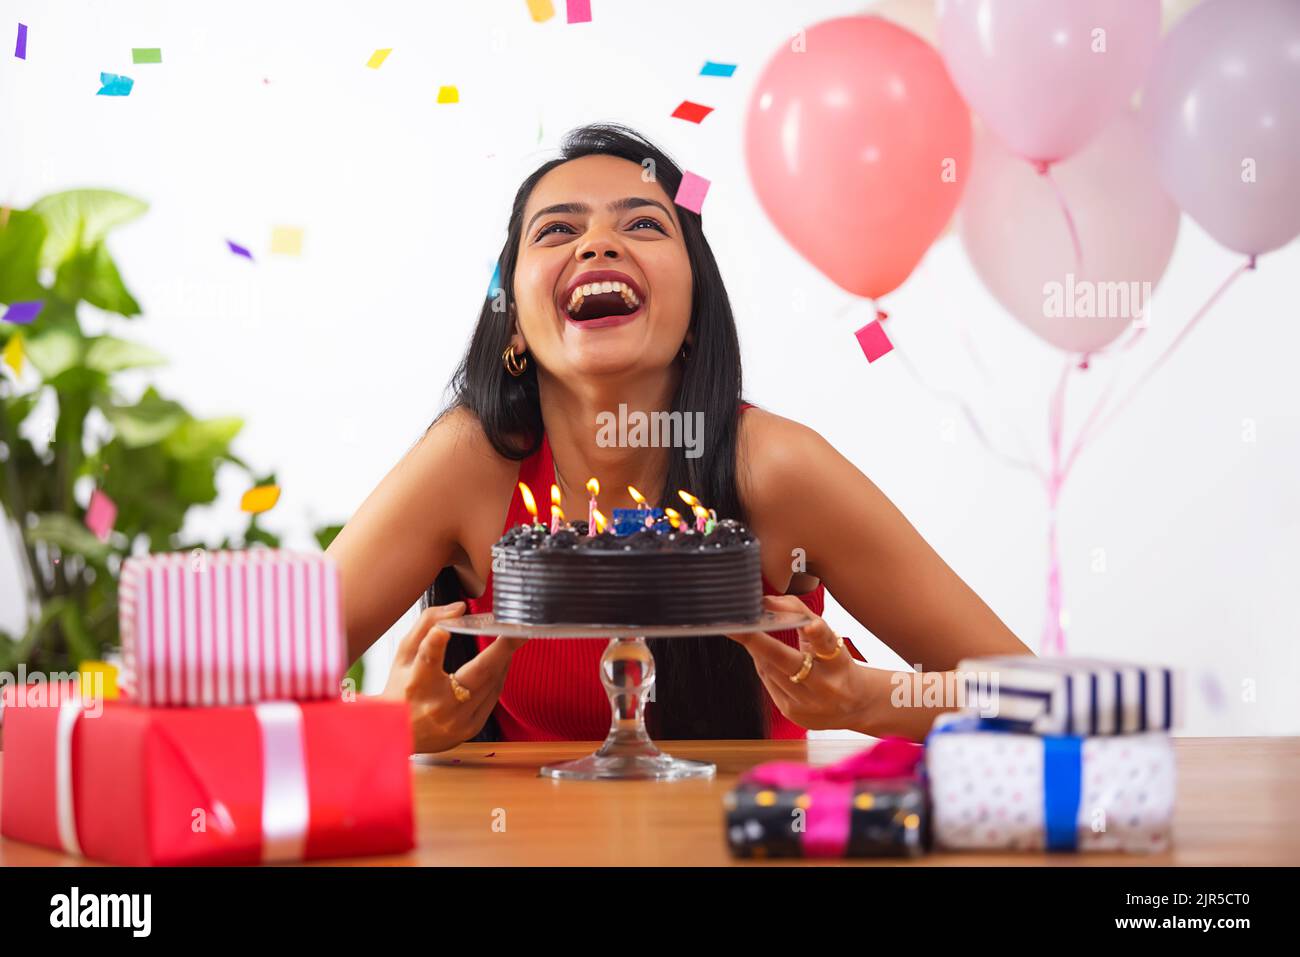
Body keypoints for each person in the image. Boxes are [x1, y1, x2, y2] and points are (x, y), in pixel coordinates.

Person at [326, 123, 1032, 752]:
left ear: (696, 306)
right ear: (511, 319)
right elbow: (236, 697)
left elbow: (1046, 698)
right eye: (556, 230)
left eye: (643, 225)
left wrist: (863, 698)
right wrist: (385, 725)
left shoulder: (775, 467)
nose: (598, 243)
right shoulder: (468, 462)